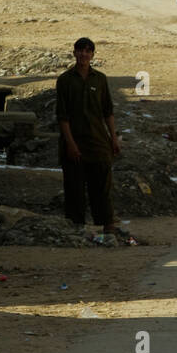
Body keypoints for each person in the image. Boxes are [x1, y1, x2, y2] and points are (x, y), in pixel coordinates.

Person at [56, 37, 121, 235]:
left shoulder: (100, 79)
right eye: (80, 50)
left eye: (87, 51)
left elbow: (107, 111)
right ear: (74, 53)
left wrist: (113, 138)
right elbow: (62, 116)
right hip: (75, 141)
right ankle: (76, 226)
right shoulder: (65, 80)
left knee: (102, 184)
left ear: (92, 55)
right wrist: (70, 144)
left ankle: (107, 223)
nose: (84, 54)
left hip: (98, 141)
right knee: (74, 186)